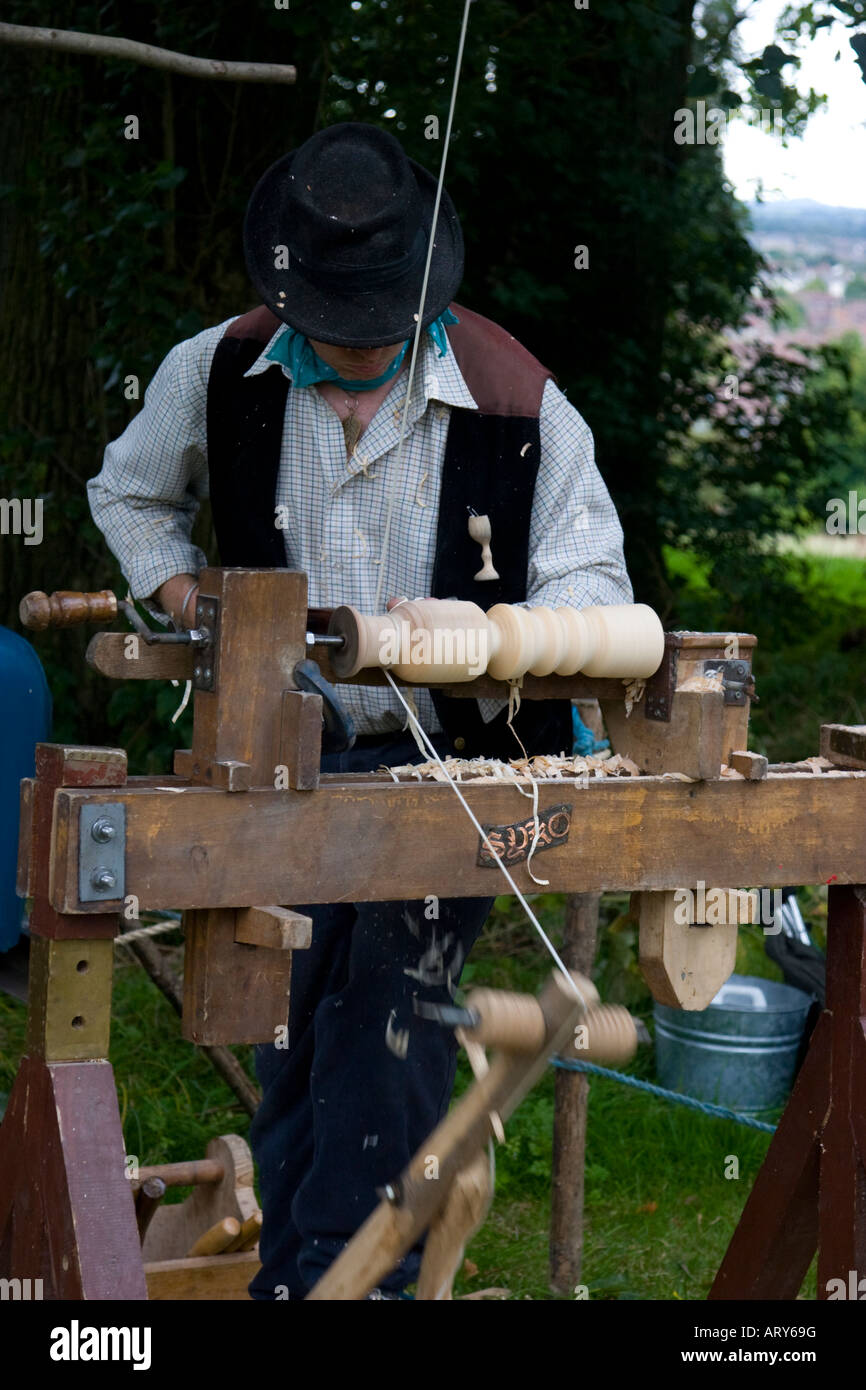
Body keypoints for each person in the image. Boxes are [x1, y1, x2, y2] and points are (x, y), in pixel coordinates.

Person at [88, 121, 632, 1299]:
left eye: (367, 330)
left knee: (384, 1035)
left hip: (460, 774)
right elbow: (128, 493)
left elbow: (594, 593)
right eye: (323, 327)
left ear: (415, 298)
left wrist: (476, 638)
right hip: (284, 754)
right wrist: (192, 598)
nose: (342, 348)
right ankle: (296, 1278)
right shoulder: (221, 368)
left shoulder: (515, 401)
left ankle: (357, 1288)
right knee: (290, 1038)